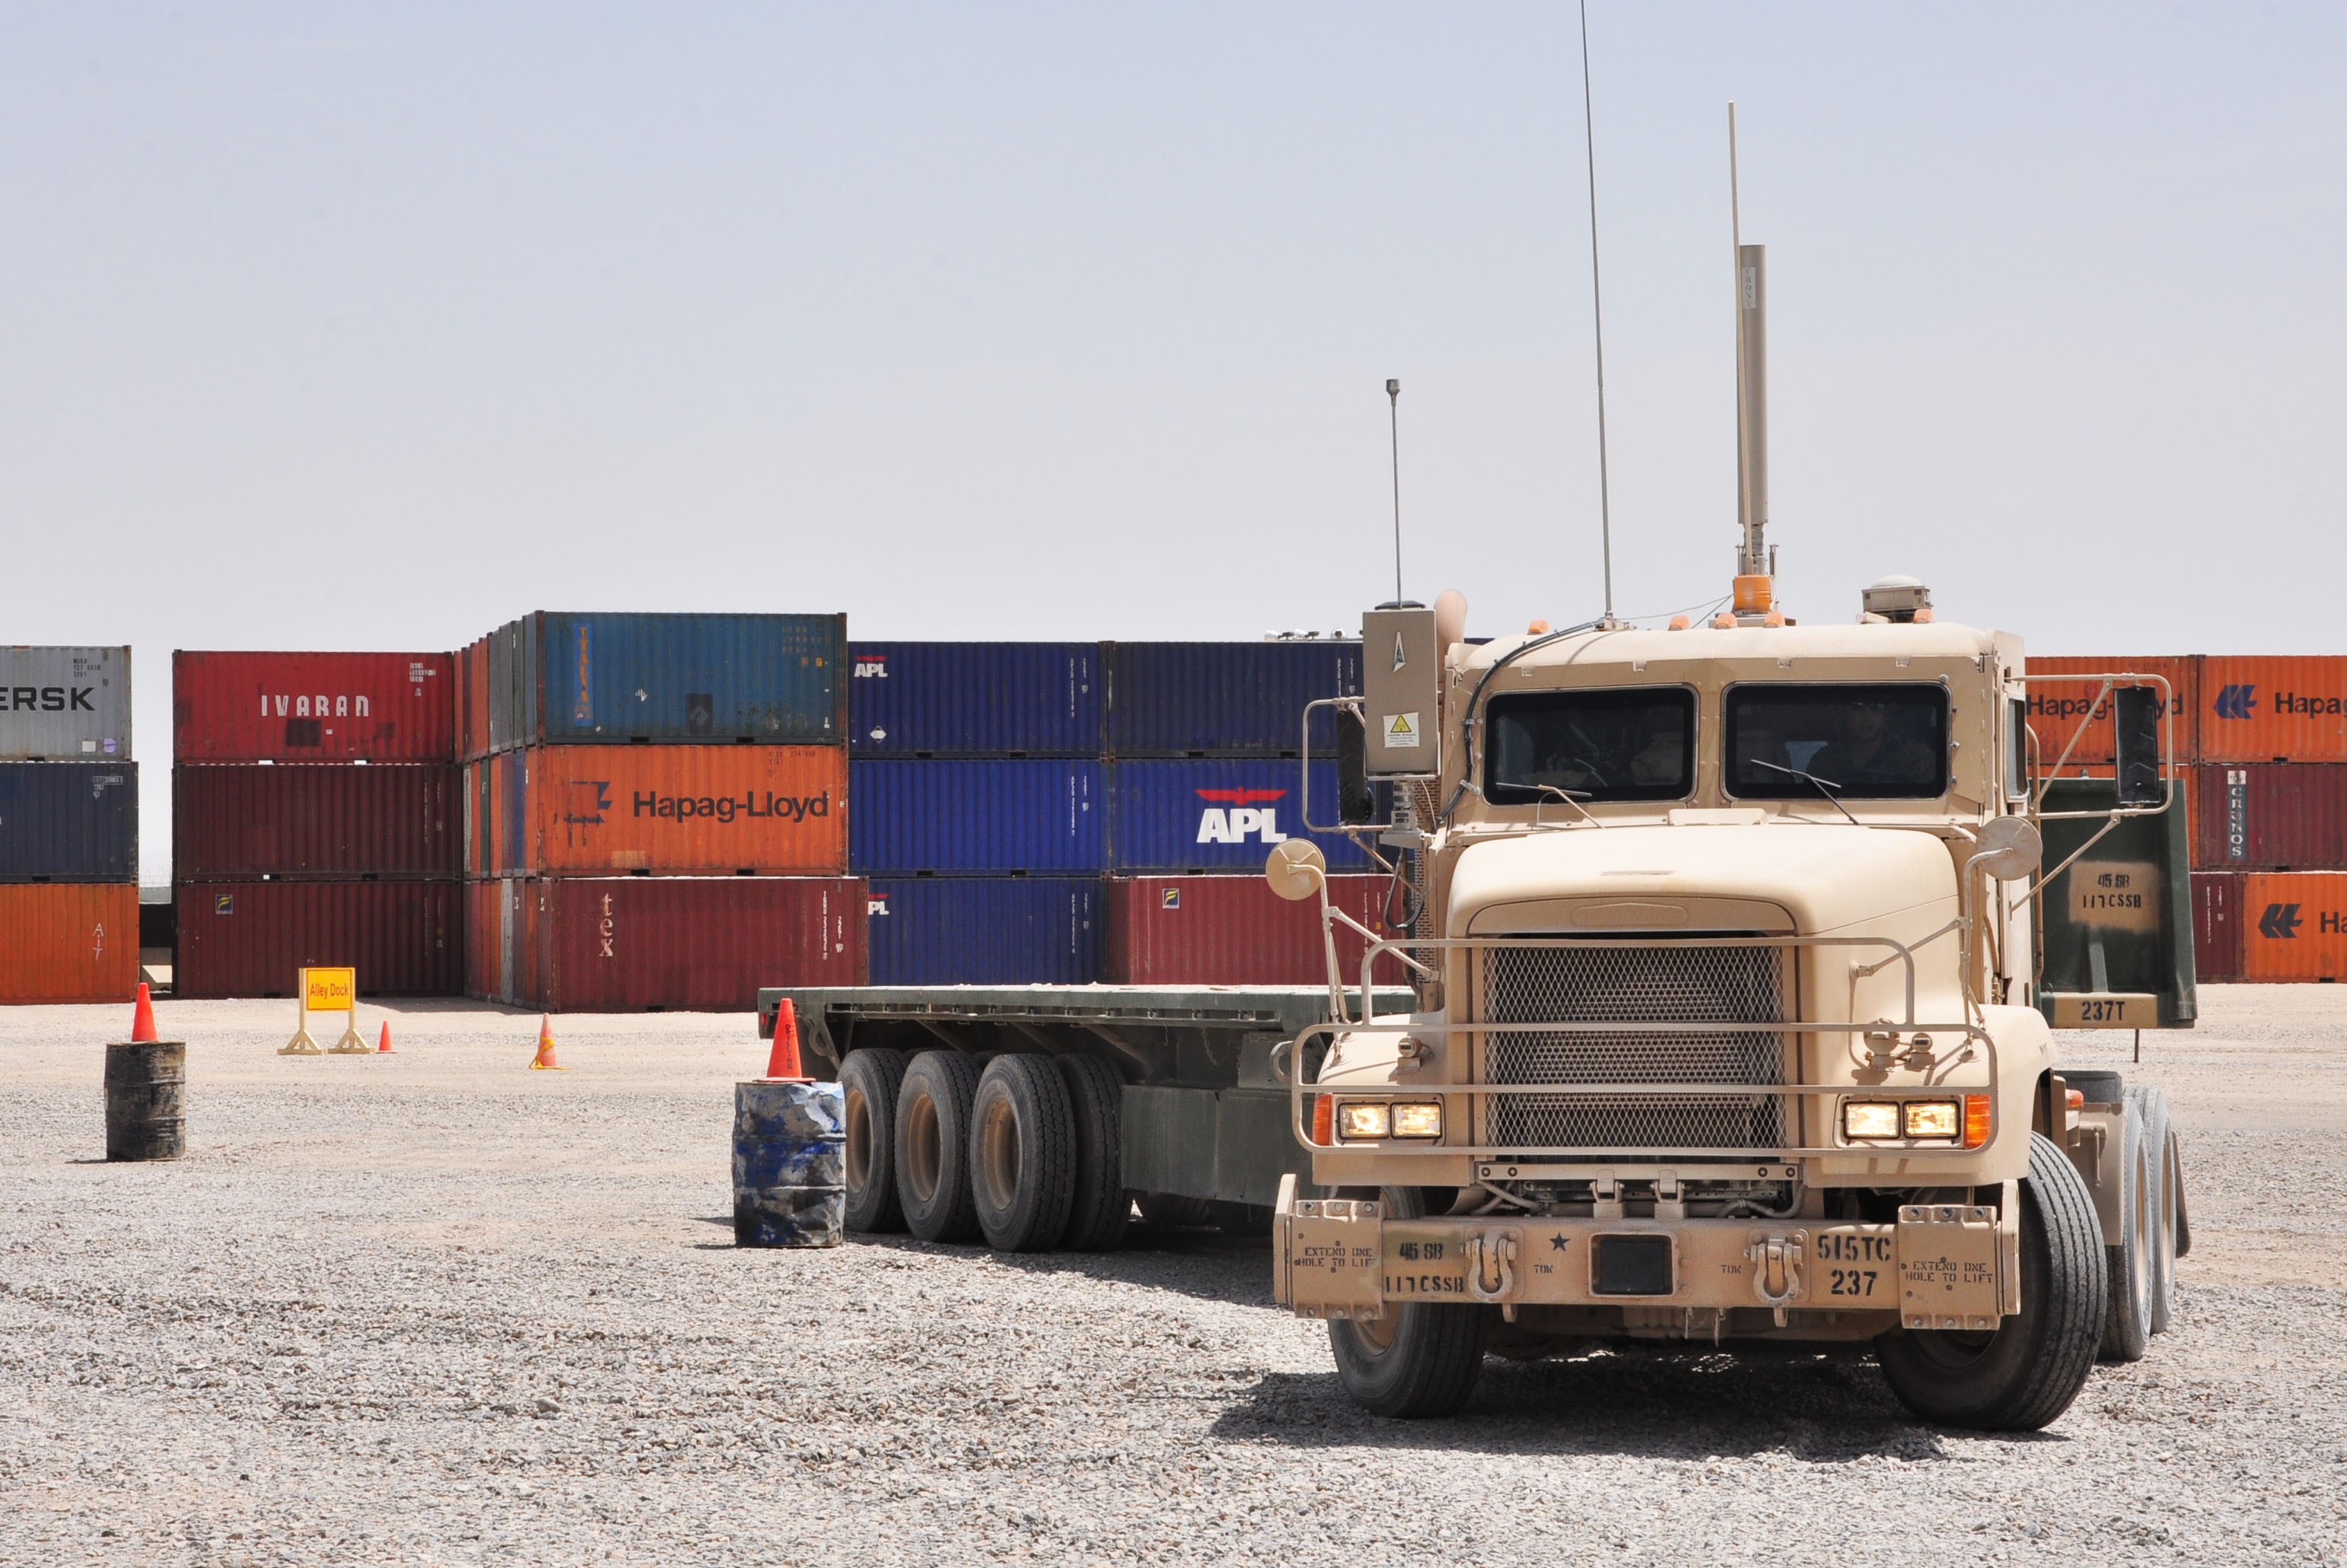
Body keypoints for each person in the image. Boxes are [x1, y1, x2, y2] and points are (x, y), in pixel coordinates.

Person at [1807, 699, 1938, 790]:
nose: (1867, 717)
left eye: (1876, 707)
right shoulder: (1825, 760)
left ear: (1885, 714)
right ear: (1845, 713)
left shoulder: (1914, 757)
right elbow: (1814, 805)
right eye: (1858, 707)